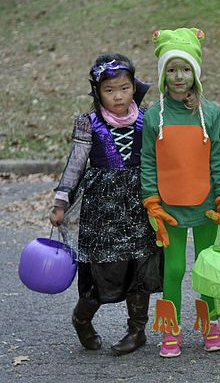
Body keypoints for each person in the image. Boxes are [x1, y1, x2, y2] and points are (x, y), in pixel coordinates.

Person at [50, 54, 162, 356]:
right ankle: (82, 318)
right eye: (109, 90)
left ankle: (136, 330)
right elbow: (75, 164)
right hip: (102, 209)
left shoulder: (148, 118)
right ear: (97, 92)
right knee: (102, 270)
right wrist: (61, 202)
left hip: (140, 203)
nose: (118, 96)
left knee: (142, 264)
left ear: (134, 87)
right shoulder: (89, 124)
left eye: (124, 88)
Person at [140, 28, 220, 358]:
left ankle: (210, 325)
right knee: (175, 268)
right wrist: (151, 201)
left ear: (196, 72)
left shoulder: (209, 113)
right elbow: (148, 162)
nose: (179, 77)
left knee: (206, 268)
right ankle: (170, 328)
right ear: (163, 74)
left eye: (185, 69)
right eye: (172, 69)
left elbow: (218, 160)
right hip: (170, 209)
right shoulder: (153, 117)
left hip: (206, 205)